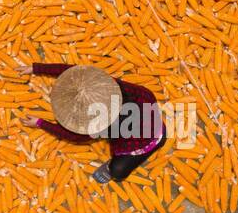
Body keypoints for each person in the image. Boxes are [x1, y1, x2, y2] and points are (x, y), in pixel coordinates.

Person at [20, 62, 165, 183]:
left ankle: (157, 143)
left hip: (141, 143)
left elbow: (72, 136)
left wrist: (40, 123)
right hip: (155, 125)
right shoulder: (133, 91)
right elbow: (73, 72)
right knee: (153, 132)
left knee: (118, 171)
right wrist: (37, 68)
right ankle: (161, 136)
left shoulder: (95, 128)